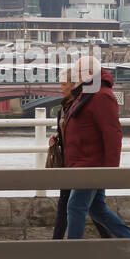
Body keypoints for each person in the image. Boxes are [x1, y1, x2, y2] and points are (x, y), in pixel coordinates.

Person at [61, 56, 130, 239]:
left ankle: (72, 254)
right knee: (96, 208)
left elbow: (112, 134)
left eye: (77, 73)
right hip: (83, 163)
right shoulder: (86, 93)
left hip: (90, 165)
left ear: (88, 74)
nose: (74, 78)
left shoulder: (101, 96)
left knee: (75, 207)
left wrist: (110, 171)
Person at [48, 69, 112, 239]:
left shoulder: (84, 104)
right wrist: (58, 139)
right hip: (70, 164)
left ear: (74, 85)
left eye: (63, 84)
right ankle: (114, 240)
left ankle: (68, 247)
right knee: (87, 207)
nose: (60, 88)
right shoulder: (62, 109)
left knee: (82, 207)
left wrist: (111, 167)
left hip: (85, 164)